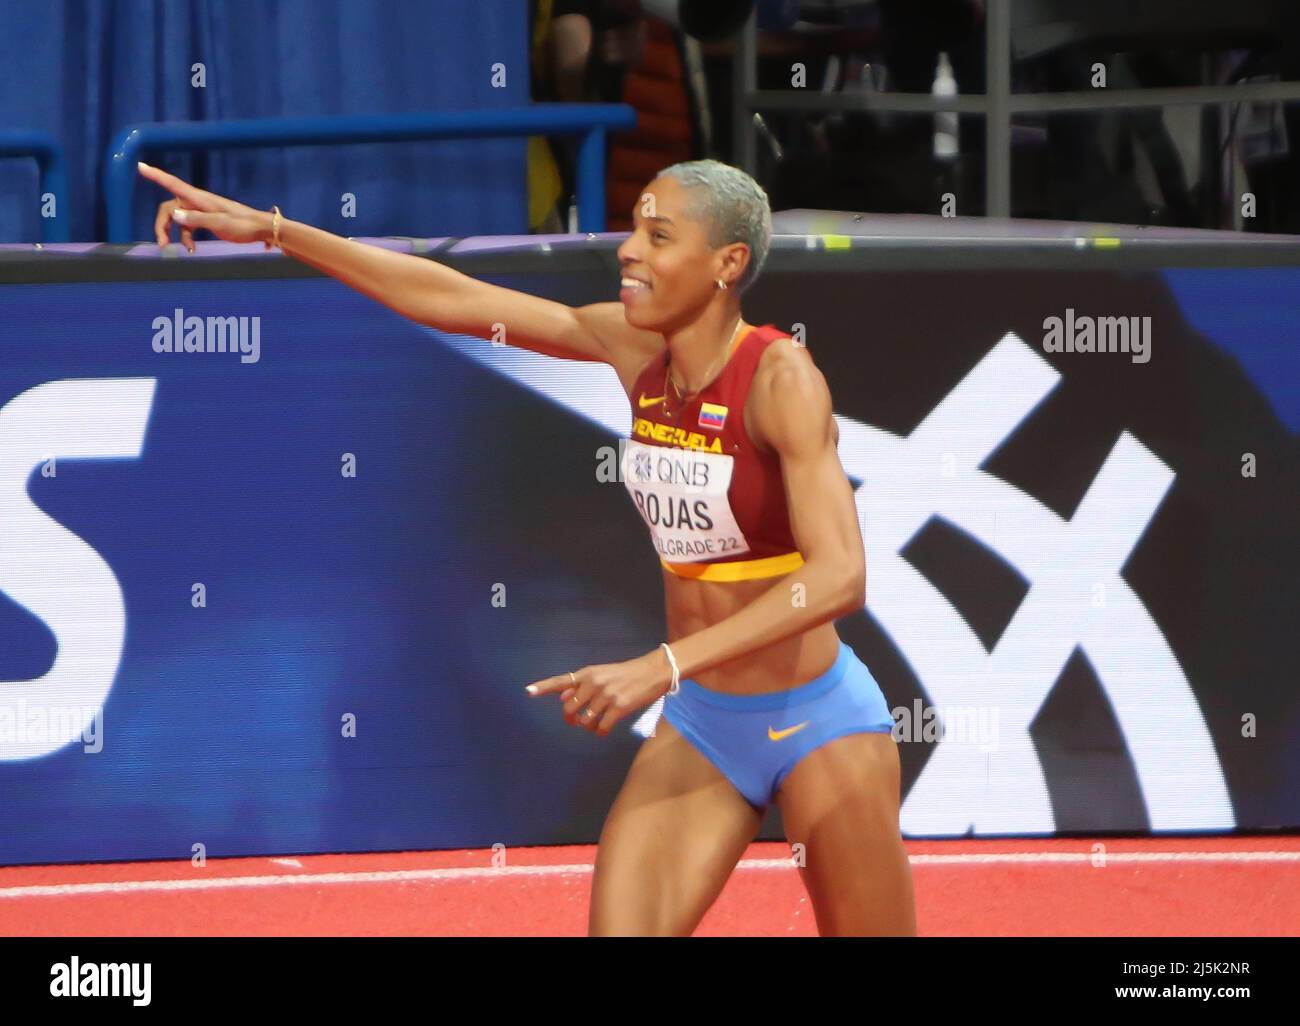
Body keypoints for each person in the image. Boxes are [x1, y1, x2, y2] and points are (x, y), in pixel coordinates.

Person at [138, 157, 917, 937]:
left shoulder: (780, 377)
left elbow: (842, 575)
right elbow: (455, 300)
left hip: (819, 721)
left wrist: (662, 664)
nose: (629, 250)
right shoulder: (633, 349)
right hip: (708, 726)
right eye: (633, 229)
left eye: (658, 235)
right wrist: (276, 231)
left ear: (728, 263)